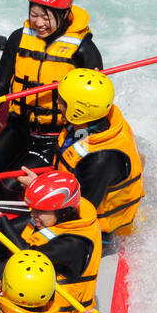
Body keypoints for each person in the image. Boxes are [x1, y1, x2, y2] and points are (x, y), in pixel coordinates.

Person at [0, 0, 103, 189]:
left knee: (8, 186)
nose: (38, 23)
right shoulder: (18, 38)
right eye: (33, 14)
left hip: (56, 135)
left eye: (46, 17)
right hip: (18, 126)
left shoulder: (84, 50)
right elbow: (0, 85)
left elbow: (94, 107)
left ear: (65, 15)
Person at [0, 169, 102, 313]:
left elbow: (28, 257)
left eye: (40, 210)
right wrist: (39, 187)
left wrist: (0, 219)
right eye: (33, 208)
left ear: (63, 211)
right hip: (31, 300)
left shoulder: (74, 244)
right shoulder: (64, 214)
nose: (32, 214)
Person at [33, 68, 144, 237]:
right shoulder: (87, 124)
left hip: (95, 231)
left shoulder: (101, 159)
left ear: (80, 110)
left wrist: (43, 190)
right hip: (71, 198)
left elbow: (80, 210)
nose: (57, 103)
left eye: (62, 101)